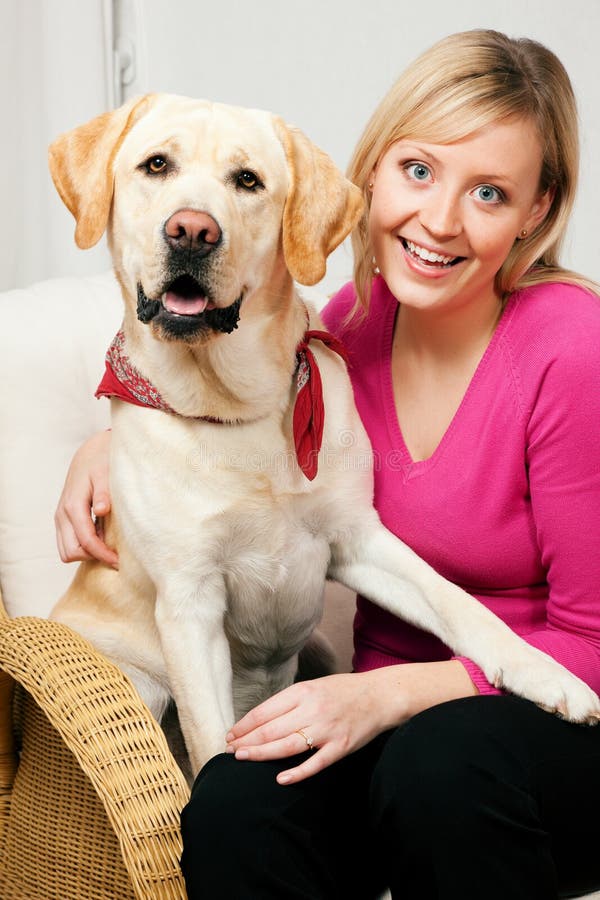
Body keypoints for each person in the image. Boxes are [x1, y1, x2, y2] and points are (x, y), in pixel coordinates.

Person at [55, 30, 600, 900]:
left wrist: (389, 699)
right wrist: (114, 442)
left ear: (537, 212)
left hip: (541, 727)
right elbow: (228, 413)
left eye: (490, 192)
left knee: (439, 763)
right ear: (375, 173)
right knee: (235, 804)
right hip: (385, 733)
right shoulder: (344, 331)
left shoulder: (574, 351)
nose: (439, 220)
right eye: (419, 171)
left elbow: (591, 645)